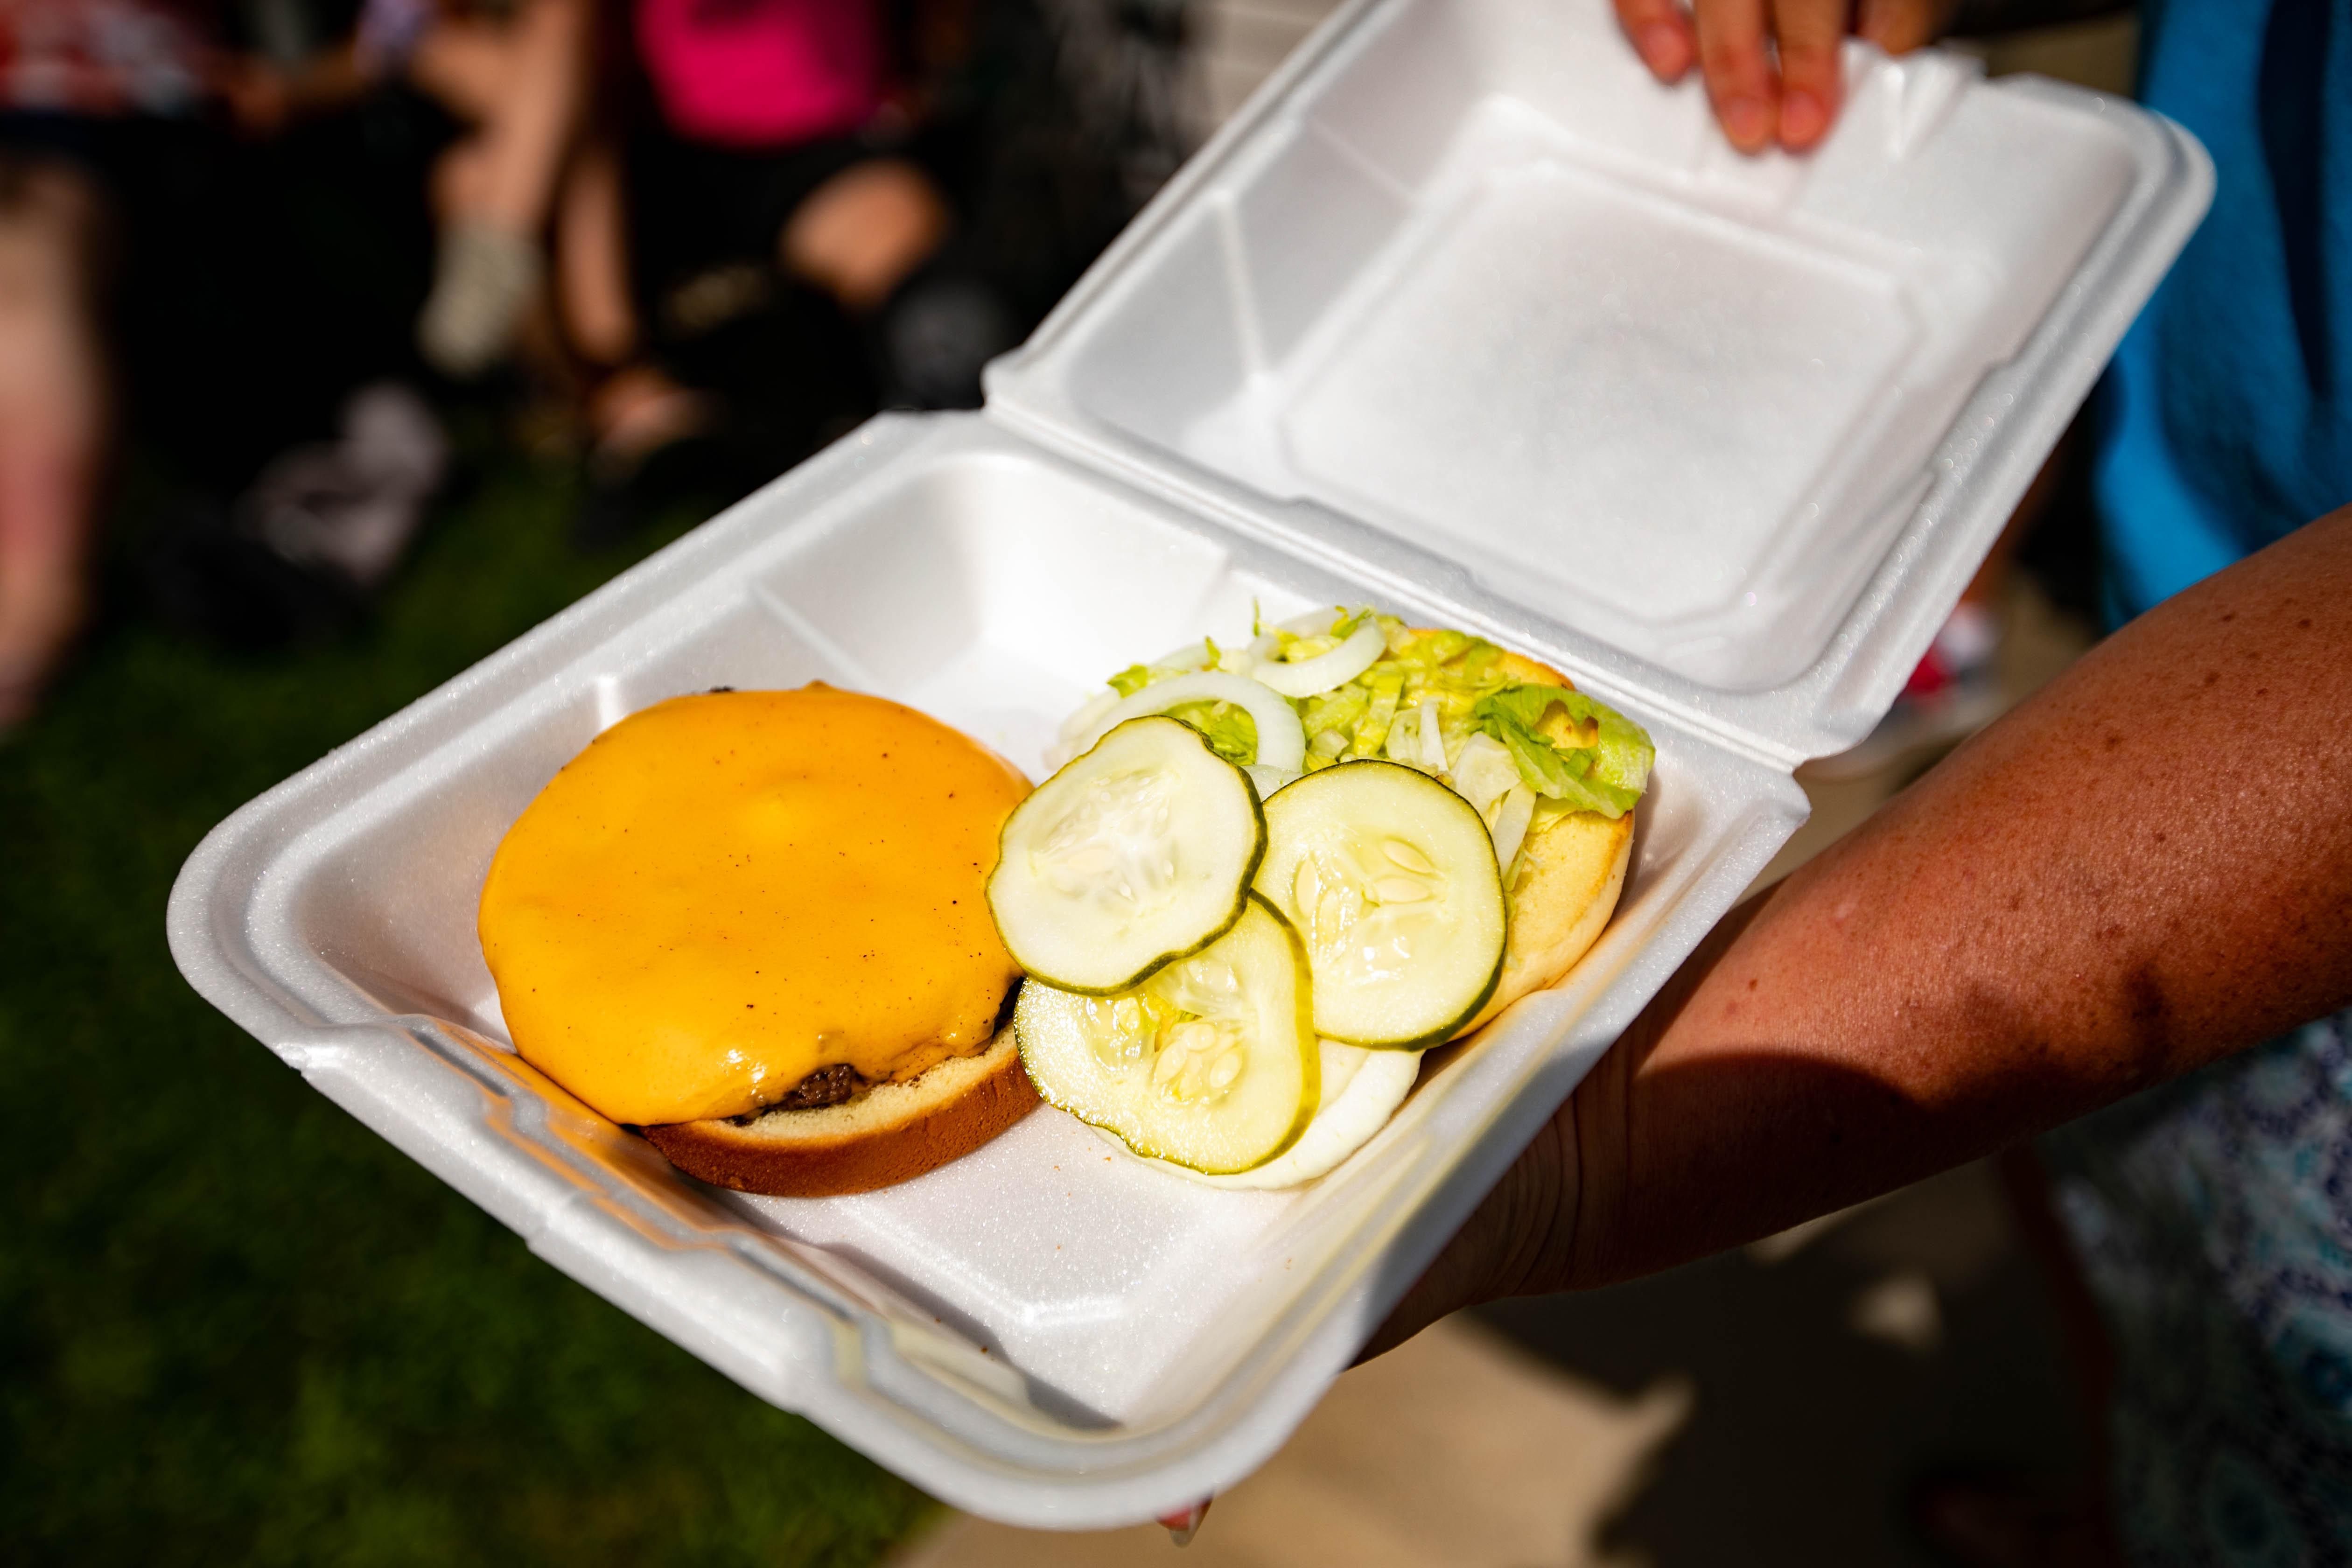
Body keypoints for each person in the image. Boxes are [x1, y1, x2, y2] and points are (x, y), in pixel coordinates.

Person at [1366, 3, 2352, 1563]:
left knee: (2294, 1437)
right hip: (2177, 564)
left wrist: (1598, 1149)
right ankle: (2120, 1500)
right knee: (2115, 1224)